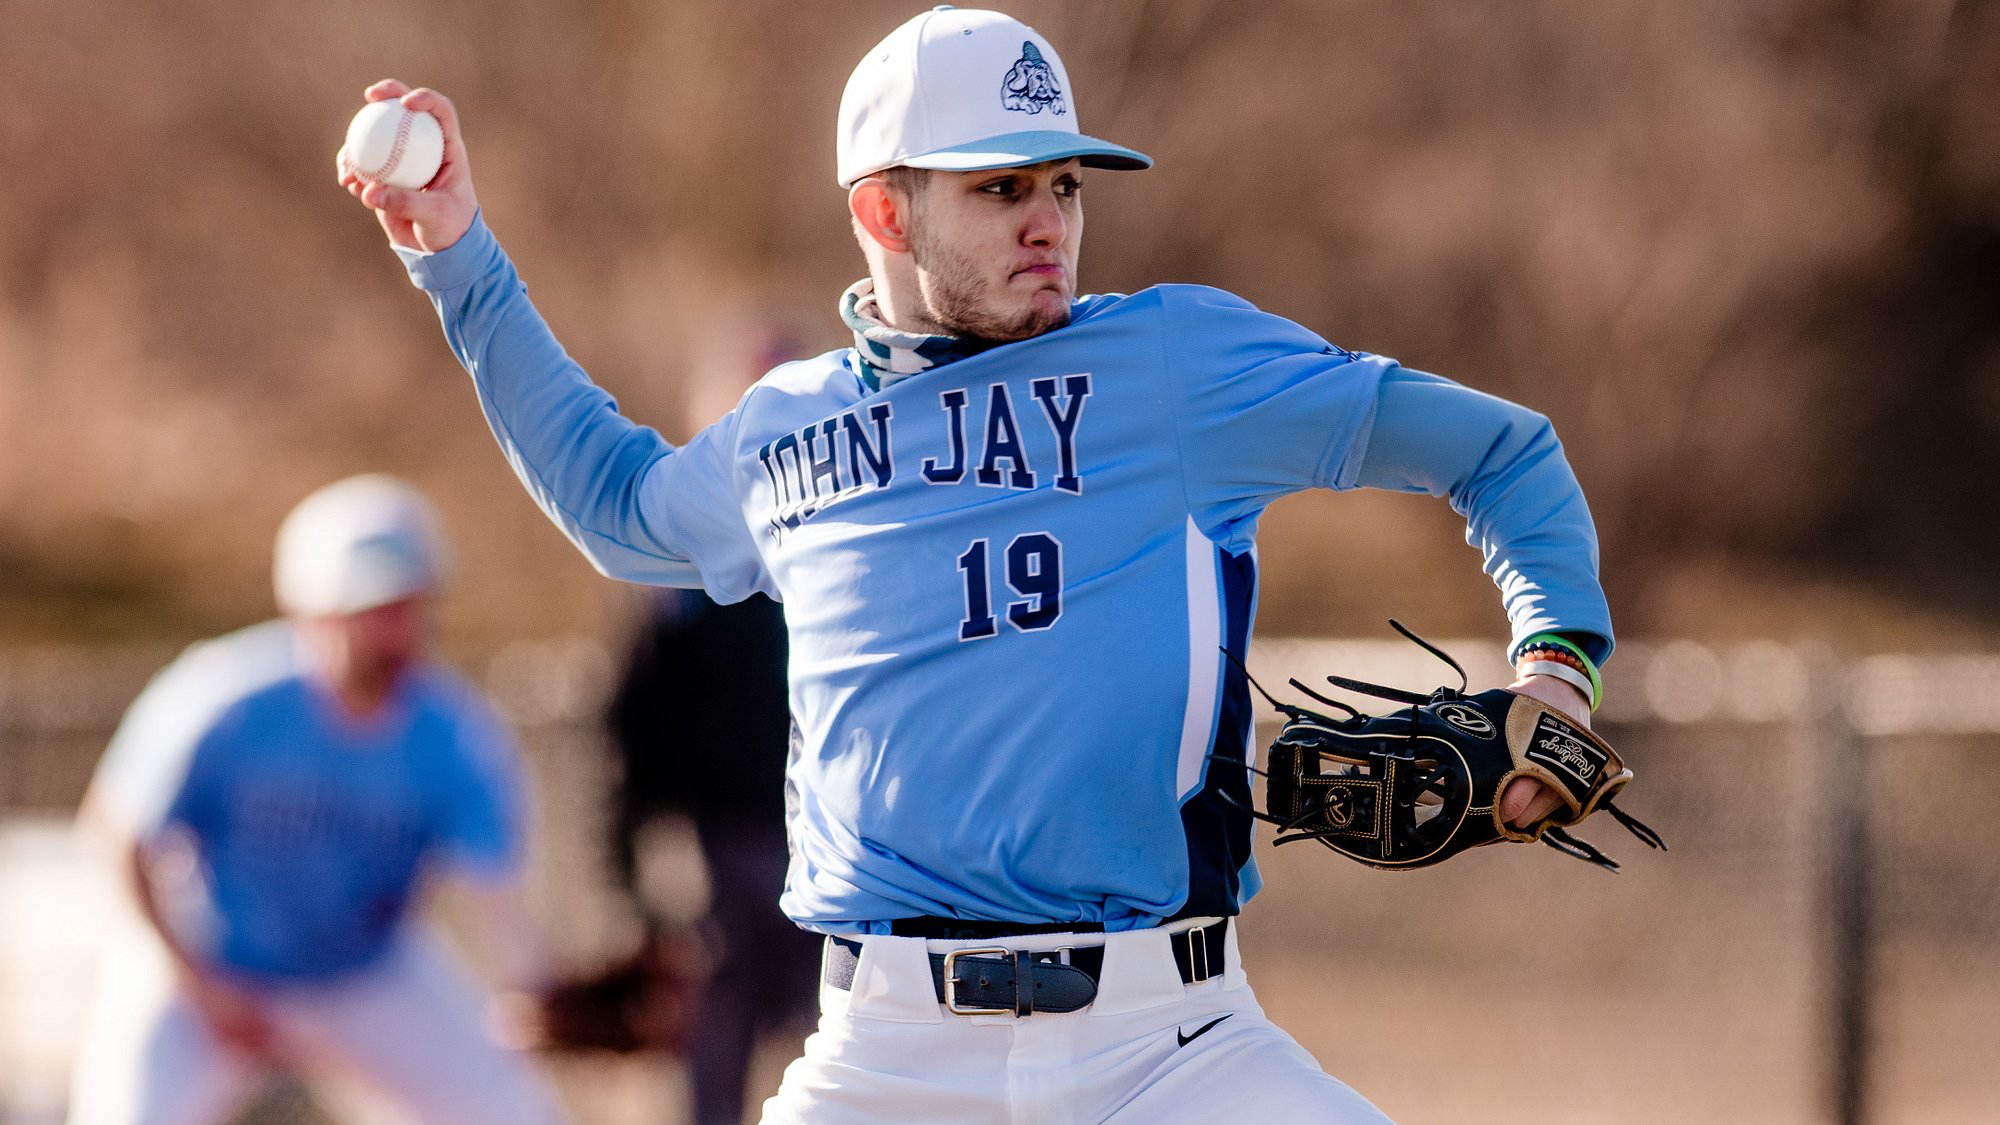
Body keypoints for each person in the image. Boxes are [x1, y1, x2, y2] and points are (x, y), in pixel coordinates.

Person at [339, 8, 1616, 1121]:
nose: (1049, 221)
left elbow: (1498, 451)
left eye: (1063, 184)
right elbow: (618, 504)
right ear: (881, 210)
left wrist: (1556, 667)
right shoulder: (786, 433)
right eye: (999, 189)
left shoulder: (1174, 368)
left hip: (1169, 1049)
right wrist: (458, 257)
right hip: (886, 1057)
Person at [67, 475, 567, 1125]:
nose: (398, 631)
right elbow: (116, 835)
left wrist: (543, 999)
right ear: (314, 610)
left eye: (411, 605)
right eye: (375, 607)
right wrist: (197, 982)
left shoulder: (455, 735)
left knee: (513, 1111)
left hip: (364, 970)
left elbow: (497, 899)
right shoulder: (224, 699)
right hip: (210, 962)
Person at [605, 586, 818, 1125]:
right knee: (732, 1020)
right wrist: (633, 858)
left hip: (782, 843)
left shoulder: (699, 594)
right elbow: (635, 726)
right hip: (725, 846)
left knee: (802, 1021)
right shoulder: (687, 601)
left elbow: (634, 726)